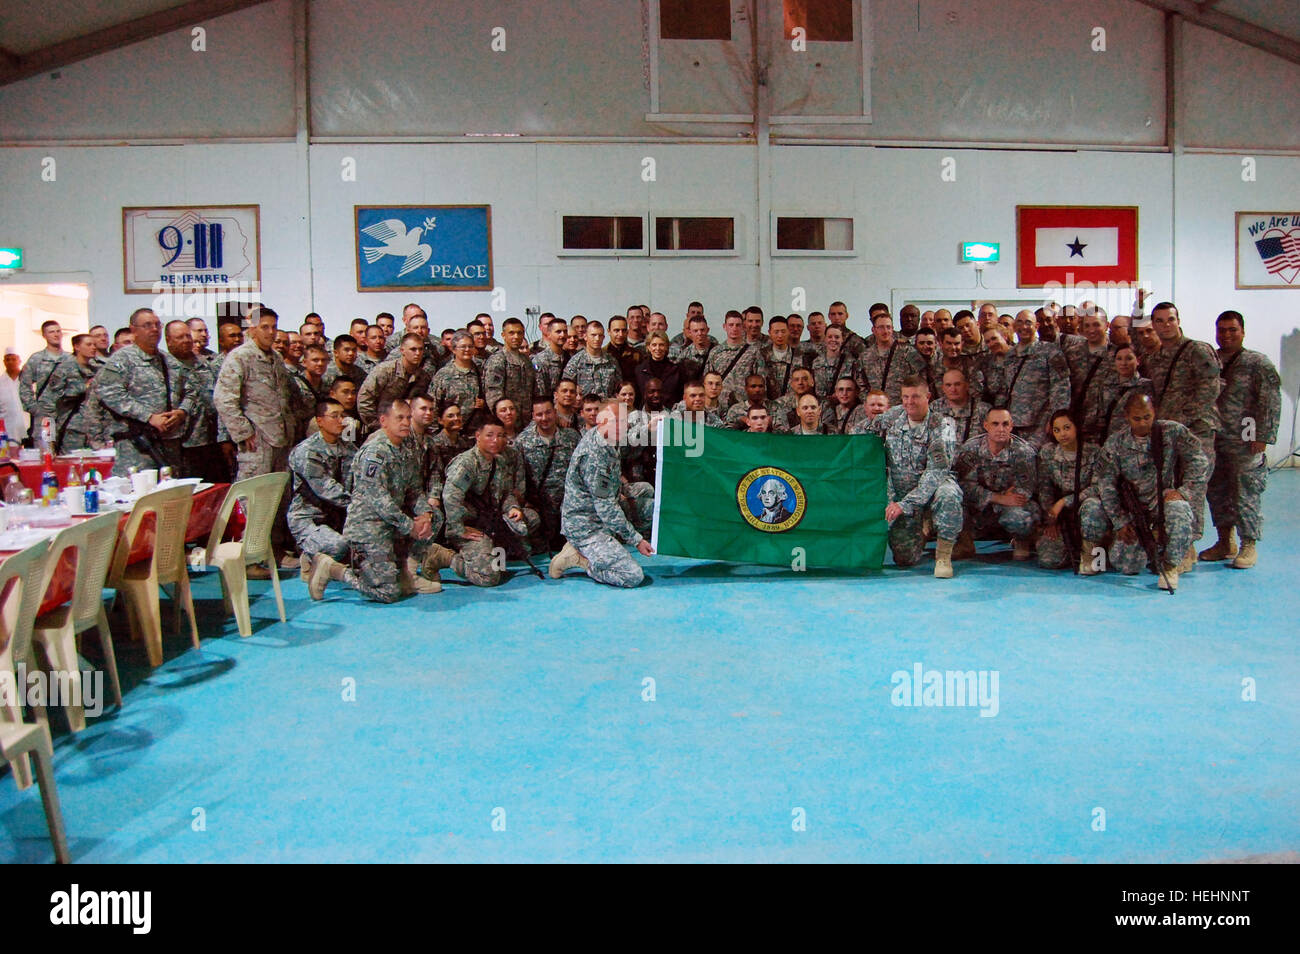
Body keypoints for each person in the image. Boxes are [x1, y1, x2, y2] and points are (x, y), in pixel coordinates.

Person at [310, 399, 441, 601]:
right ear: (383, 421)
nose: (406, 422)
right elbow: (379, 500)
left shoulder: (407, 447)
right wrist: (410, 525)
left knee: (436, 517)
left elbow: (414, 489)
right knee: (388, 593)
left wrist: (425, 514)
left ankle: (408, 575)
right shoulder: (374, 452)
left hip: (393, 522)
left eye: (408, 418)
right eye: (399, 418)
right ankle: (333, 569)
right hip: (369, 527)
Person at [1098, 393, 1209, 591]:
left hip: (1162, 502)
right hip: (1134, 511)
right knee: (1126, 565)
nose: (1143, 423)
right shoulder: (1116, 443)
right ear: (1127, 417)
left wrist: (1183, 491)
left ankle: (1171, 566)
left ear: (1154, 412)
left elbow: (1199, 460)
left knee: (1179, 509)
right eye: (1137, 418)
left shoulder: (1172, 431)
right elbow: (1106, 484)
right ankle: (1160, 545)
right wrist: (1120, 521)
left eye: (1147, 417)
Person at [1200, 310, 1280, 569]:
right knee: (1217, 491)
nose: (1226, 335)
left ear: (1242, 331)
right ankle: (1225, 542)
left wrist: (1263, 436)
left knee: (1246, 492)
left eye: (1232, 329)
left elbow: (1269, 401)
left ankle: (1248, 545)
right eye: (1221, 330)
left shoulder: (1257, 362)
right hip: (1214, 438)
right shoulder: (1210, 360)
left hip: (1245, 440)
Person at [1143, 301, 1221, 567]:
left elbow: (1210, 389)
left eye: (1170, 319)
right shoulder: (1155, 358)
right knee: (1169, 486)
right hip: (1166, 433)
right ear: (1153, 325)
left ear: (1178, 321)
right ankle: (1172, 539)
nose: (1165, 325)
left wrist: (1182, 421)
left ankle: (1189, 545)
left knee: (1193, 486)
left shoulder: (1197, 350)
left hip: (1196, 431)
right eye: (1160, 321)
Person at [549, 401, 655, 586]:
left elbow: (630, 439)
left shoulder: (609, 436)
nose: (622, 426)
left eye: (624, 421)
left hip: (603, 514)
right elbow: (606, 509)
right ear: (601, 421)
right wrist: (636, 540)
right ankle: (580, 559)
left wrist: (648, 427)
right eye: (616, 421)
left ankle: (610, 543)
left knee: (652, 507)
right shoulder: (594, 457)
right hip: (587, 526)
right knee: (632, 576)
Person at [867, 377, 964, 577]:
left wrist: (906, 504)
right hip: (901, 491)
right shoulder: (894, 416)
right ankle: (924, 528)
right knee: (905, 559)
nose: (909, 402)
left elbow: (936, 471)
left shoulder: (943, 425)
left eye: (915, 397)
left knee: (949, 495)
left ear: (927, 397)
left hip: (932, 488)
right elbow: (863, 432)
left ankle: (943, 556)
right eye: (905, 397)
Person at [436, 416, 540, 587]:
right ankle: (446, 557)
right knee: (490, 578)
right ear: (478, 436)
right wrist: (458, 528)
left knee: (531, 518)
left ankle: (495, 549)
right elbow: (450, 496)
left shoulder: (499, 461)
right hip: (469, 526)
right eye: (490, 435)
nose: (496, 440)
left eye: (500, 436)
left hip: (491, 520)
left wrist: (513, 508)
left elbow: (506, 493)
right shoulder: (467, 463)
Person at [96, 308, 199, 476]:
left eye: (157, 325)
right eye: (147, 325)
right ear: (133, 330)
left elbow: (191, 391)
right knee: (139, 493)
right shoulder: (122, 359)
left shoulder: (169, 361)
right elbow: (110, 394)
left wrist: (182, 412)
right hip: (136, 445)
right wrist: (148, 417)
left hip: (169, 443)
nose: (154, 329)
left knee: (170, 493)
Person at [954, 407, 1040, 560]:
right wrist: (997, 497)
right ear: (986, 426)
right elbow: (964, 485)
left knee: (1020, 517)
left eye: (1005, 424)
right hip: (979, 506)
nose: (1001, 429)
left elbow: (1024, 490)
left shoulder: (1023, 453)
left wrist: (1004, 500)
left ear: (1011, 426)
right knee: (953, 501)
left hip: (1008, 506)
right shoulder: (971, 449)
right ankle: (965, 543)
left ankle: (1021, 539)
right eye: (995, 424)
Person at [289, 399, 357, 583]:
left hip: (337, 517)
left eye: (343, 416)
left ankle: (324, 562)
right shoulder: (306, 451)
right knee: (339, 546)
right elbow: (327, 489)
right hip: (309, 518)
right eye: (334, 416)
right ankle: (308, 556)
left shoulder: (348, 448)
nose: (340, 420)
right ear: (320, 421)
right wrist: (359, 507)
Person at [1036, 410, 1109, 573]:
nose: (1063, 434)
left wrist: (1064, 502)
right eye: (1057, 430)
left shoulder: (1094, 452)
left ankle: (1093, 551)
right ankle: (1073, 549)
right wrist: (1051, 518)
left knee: (1093, 506)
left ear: (1076, 427)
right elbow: (1044, 487)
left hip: (1087, 508)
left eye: (1067, 427)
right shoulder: (1048, 453)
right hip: (1062, 515)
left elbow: (1098, 487)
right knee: (1048, 560)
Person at [983, 314, 1069, 448]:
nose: (1023, 327)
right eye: (1020, 323)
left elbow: (1061, 387)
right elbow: (1003, 390)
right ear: (1014, 327)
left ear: (1036, 326)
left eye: (1028, 323)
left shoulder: (1049, 351)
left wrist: (1056, 419)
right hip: (1012, 424)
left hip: (1040, 423)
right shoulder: (1010, 355)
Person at [164, 320, 224, 482]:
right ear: (168, 340)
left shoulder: (205, 364)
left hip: (211, 440)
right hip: (182, 444)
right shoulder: (164, 367)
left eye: (187, 336)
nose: (185, 340)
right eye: (179, 337)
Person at [359, 333, 435, 432]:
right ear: (402, 350)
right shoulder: (385, 371)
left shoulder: (423, 376)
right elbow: (364, 400)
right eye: (413, 349)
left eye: (421, 349)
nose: (417, 353)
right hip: (379, 428)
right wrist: (379, 426)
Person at [46, 333, 99, 451]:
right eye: (89, 344)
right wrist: (82, 388)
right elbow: (53, 397)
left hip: (93, 428)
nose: (93, 347)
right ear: (77, 347)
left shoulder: (97, 369)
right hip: (73, 427)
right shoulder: (65, 368)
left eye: (94, 344)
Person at [704, 311, 766, 411]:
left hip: (743, 408)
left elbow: (760, 381)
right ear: (724, 326)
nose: (734, 328)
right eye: (731, 325)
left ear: (743, 327)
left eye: (738, 325)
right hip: (718, 407)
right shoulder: (715, 352)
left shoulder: (753, 352)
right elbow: (707, 380)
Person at [861, 313, 926, 404]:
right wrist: (868, 402)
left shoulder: (907, 351)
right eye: (881, 327)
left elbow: (922, 378)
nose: (885, 331)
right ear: (873, 330)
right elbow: (861, 383)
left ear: (892, 329)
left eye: (888, 327)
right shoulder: (865, 356)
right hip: (876, 408)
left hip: (902, 407)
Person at [19, 319, 66, 441]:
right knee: (46, 453)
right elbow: (25, 385)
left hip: (67, 415)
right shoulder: (37, 359)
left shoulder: (70, 358)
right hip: (45, 417)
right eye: (51, 332)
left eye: (58, 331)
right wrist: (34, 409)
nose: (56, 335)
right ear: (44, 335)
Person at [483, 317, 536, 419]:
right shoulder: (498, 360)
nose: (516, 337)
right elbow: (493, 395)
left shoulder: (526, 361)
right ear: (503, 335)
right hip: (507, 420)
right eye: (511, 333)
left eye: (519, 333)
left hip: (526, 420)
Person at [562, 320, 622, 398]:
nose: (597, 339)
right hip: (585, 409)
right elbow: (566, 391)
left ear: (603, 337)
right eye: (593, 335)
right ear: (585, 336)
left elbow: (620, 391)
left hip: (607, 408)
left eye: (600, 335)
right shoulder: (576, 361)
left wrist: (622, 410)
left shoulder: (612, 362)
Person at [931, 368, 990, 447]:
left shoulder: (983, 410)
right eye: (948, 385)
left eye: (957, 384)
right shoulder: (934, 408)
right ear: (943, 388)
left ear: (966, 386)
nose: (953, 389)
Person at [635, 332, 682, 407]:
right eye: (654, 345)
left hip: (669, 414)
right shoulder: (639, 370)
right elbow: (637, 397)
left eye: (661, 345)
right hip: (646, 414)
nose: (657, 348)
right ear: (648, 347)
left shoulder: (676, 370)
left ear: (666, 347)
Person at [533, 316, 569, 399]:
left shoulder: (569, 357)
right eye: (558, 332)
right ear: (549, 334)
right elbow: (540, 393)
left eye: (565, 331)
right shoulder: (540, 360)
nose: (563, 335)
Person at [0, 348, 27, 443]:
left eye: (13, 359)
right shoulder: (1, 382)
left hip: (28, 429)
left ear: (19, 361)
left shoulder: (27, 380)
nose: (10, 362)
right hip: (7, 431)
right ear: (4, 362)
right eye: (8, 359)